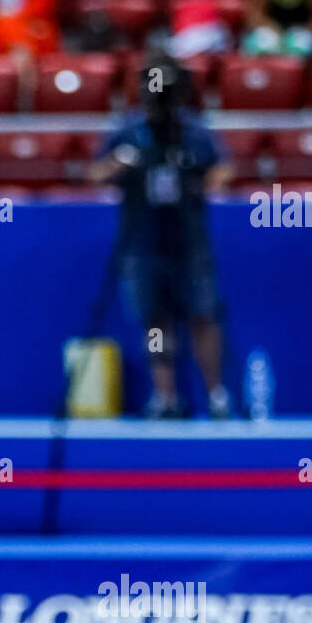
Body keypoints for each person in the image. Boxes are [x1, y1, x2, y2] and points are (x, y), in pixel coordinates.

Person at [89, 56, 234, 420]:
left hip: (189, 243)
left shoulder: (194, 132)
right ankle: (165, 396)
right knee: (155, 321)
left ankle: (216, 396)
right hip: (143, 244)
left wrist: (202, 180)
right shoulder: (129, 132)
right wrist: (121, 165)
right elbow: (96, 173)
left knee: (203, 316)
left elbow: (223, 168)